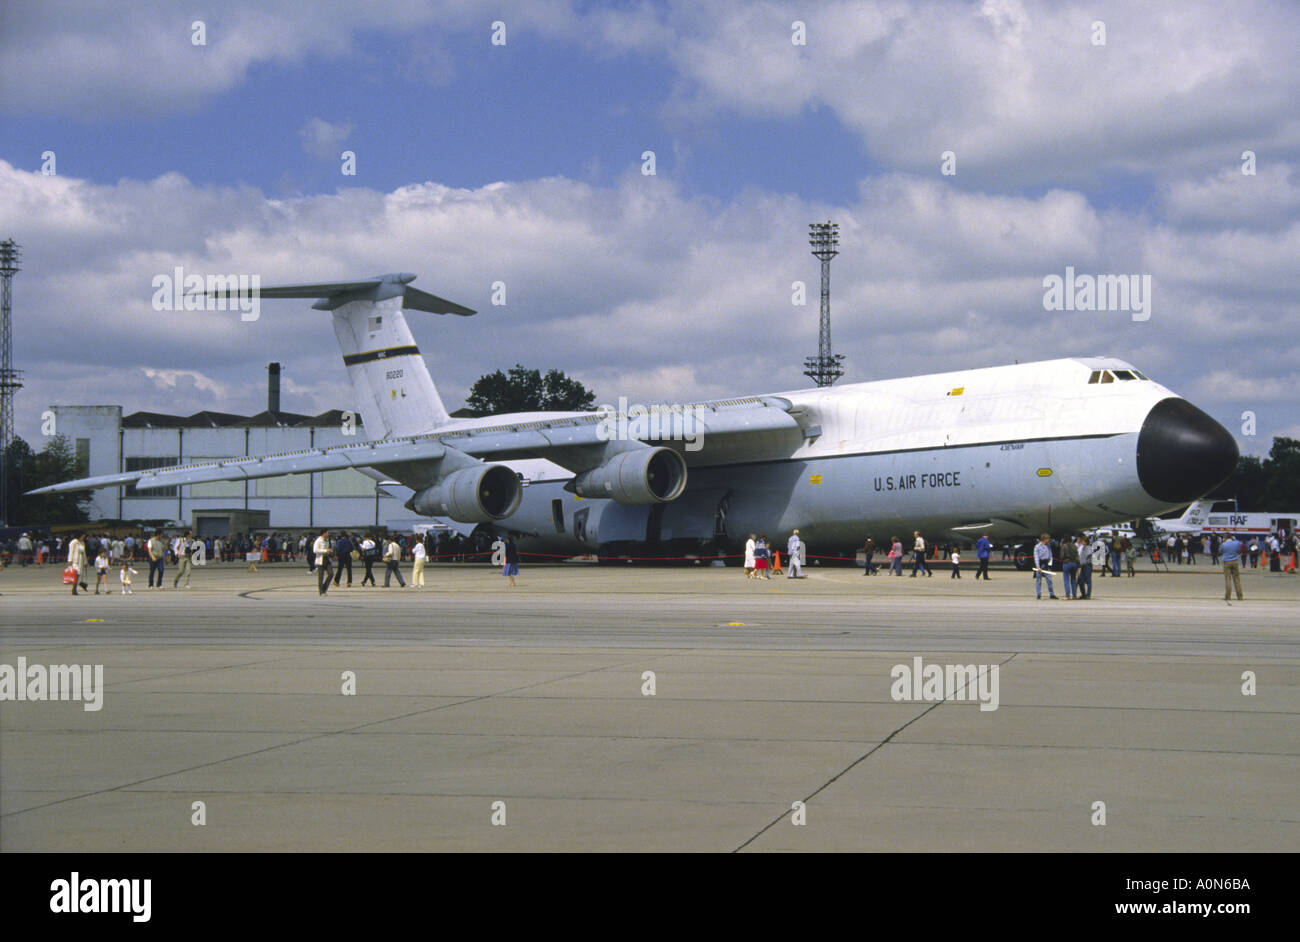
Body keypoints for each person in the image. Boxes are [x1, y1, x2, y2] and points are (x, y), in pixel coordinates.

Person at [1219, 533, 1244, 603]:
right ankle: (1240, 596)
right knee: (1237, 579)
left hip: (1226, 562)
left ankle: (1228, 596)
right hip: (1235, 561)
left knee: (1228, 579)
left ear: (1225, 537)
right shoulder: (1236, 543)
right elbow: (1239, 550)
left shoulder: (1223, 544)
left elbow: (1220, 551)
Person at [1033, 533, 1059, 599]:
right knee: (1039, 580)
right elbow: (1036, 557)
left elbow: (1050, 555)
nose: (1049, 540)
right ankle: (1039, 594)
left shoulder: (1048, 546)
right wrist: (1038, 566)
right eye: (1047, 539)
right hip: (1040, 564)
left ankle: (1052, 594)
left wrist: (1050, 564)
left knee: (1049, 580)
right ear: (1044, 539)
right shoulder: (1037, 547)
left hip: (1046, 564)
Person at [313, 530, 334, 595]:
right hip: (320, 559)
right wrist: (325, 550)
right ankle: (321, 591)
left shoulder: (327, 540)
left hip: (327, 559)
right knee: (321, 576)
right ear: (323, 533)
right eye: (327, 533)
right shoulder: (318, 540)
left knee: (331, 574)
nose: (328, 534)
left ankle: (324, 588)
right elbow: (315, 550)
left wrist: (330, 551)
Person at [1061, 534, 1079, 599]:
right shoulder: (1075, 546)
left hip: (1066, 563)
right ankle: (1074, 595)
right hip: (1074, 563)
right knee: (1073, 579)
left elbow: (1062, 556)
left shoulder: (1064, 546)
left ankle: (1067, 595)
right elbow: (1077, 555)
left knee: (1066, 579)